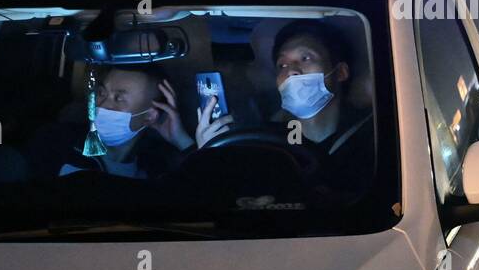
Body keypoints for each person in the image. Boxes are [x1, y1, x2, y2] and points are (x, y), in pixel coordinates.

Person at [196, 20, 373, 195]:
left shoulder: (372, 138)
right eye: (282, 65)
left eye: (305, 58)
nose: (291, 71)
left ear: (341, 72)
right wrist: (208, 153)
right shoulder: (262, 141)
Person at [42, 67, 194, 179]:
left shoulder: (156, 168)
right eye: (102, 93)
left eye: (119, 98)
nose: (101, 104)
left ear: (149, 116)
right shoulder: (57, 142)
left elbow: (208, 194)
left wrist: (182, 141)